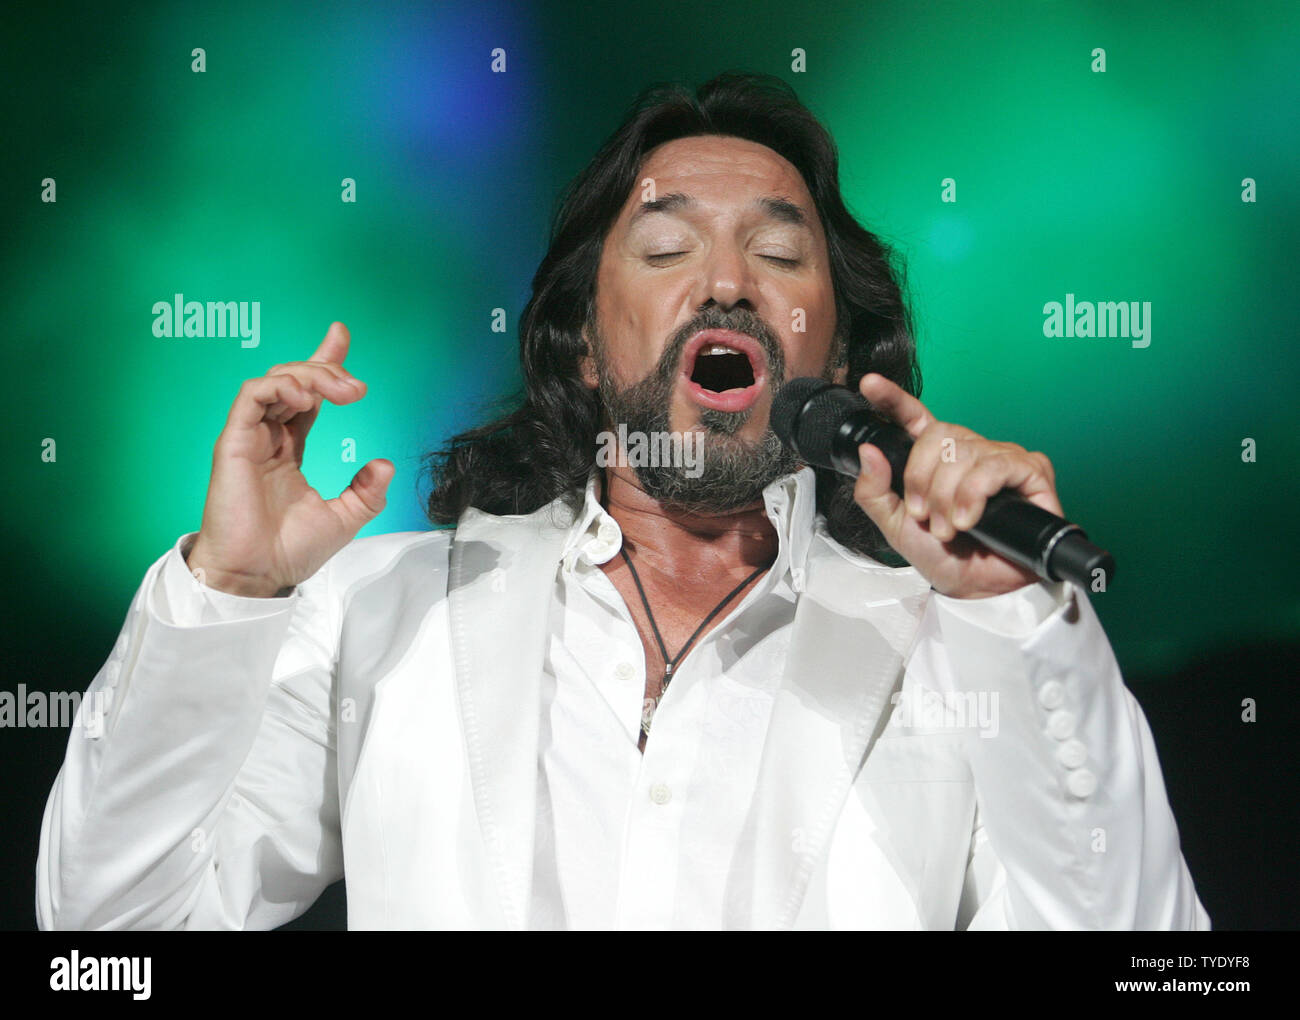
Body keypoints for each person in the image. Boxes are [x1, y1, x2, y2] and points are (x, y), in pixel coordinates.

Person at [36, 72, 1210, 930]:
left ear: (834, 349)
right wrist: (226, 595)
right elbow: (104, 936)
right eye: (663, 248)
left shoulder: (950, 654)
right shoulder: (383, 613)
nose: (726, 280)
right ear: (586, 347)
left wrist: (1011, 620)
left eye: (778, 251)